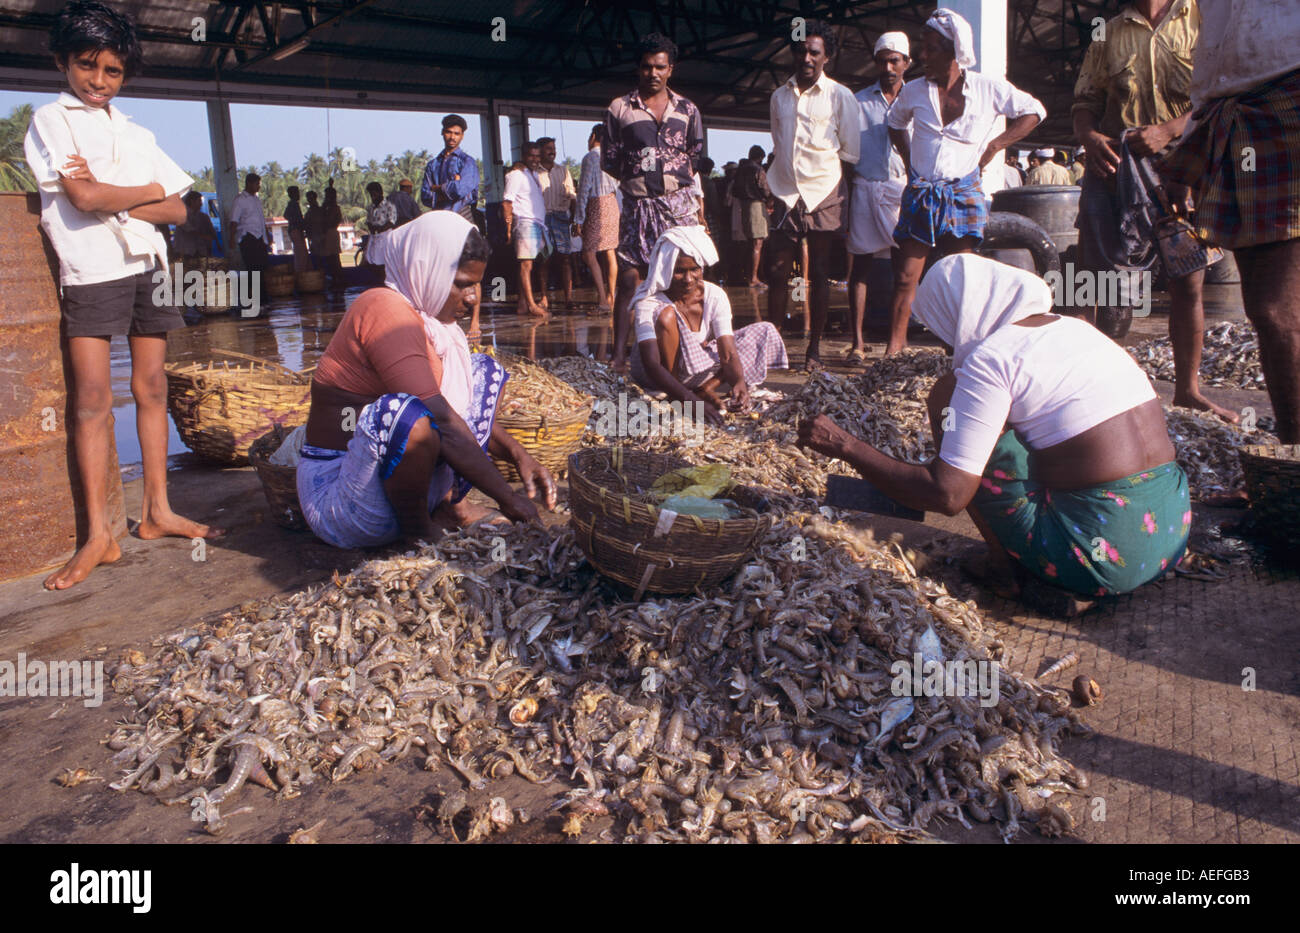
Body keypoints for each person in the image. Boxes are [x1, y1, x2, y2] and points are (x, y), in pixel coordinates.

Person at [798, 254, 1190, 610]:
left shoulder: (993, 360)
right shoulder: (1078, 329)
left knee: (948, 401)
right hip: (1171, 530)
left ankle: (1005, 572)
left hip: (1103, 559)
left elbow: (948, 494)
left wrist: (845, 445)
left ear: (960, 313)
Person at [23, 0, 221, 590]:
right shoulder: (52, 120)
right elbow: (82, 201)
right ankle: (98, 536)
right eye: (87, 66)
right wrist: (141, 192)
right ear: (63, 61)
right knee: (90, 400)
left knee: (152, 387)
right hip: (92, 267)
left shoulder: (137, 132)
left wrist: (112, 190)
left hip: (147, 263)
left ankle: (156, 511)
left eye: (112, 72)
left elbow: (179, 207)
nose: (99, 81)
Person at [299, 212, 554, 547]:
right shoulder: (383, 310)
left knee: (482, 372)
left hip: (387, 485)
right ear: (428, 269)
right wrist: (507, 497)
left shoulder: (433, 321)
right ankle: (417, 531)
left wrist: (518, 454)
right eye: (463, 284)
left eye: (476, 284)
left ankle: (450, 505)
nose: (474, 297)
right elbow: (441, 420)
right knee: (407, 413)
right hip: (343, 499)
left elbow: (453, 412)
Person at [1073, 0, 1234, 422]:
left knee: (1189, 280)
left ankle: (1188, 390)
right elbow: (1085, 97)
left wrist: (1169, 131)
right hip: (1114, 167)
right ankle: (1085, 386)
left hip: (1185, 166)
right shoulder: (1104, 30)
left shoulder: (1204, 19)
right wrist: (1089, 135)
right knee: (1092, 280)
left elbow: (1220, 93)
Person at [1160, 0, 1300, 442]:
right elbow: (1217, 44)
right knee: (1264, 309)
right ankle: (1288, 456)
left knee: (1278, 310)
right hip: (1229, 115)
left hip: (1289, 99)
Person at [885, 8, 1044, 355]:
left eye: (930, 49)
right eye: (922, 48)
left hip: (962, 193)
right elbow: (895, 123)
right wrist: (911, 161)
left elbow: (1034, 111)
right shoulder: (913, 91)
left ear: (955, 51)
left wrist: (997, 144)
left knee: (962, 279)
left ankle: (959, 351)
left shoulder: (988, 89)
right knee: (905, 277)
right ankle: (893, 351)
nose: (922, 56)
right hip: (923, 193)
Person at [602, 32, 705, 372]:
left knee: (685, 279)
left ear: (670, 69)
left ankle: (688, 352)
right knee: (630, 279)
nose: (653, 74)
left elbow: (695, 154)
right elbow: (611, 159)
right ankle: (619, 354)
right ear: (639, 68)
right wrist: (639, 182)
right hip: (637, 205)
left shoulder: (688, 109)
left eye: (660, 67)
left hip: (679, 206)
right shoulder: (619, 108)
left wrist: (675, 186)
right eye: (647, 67)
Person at [766, 19, 861, 370]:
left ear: (827, 57)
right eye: (800, 50)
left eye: (814, 52)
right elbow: (778, 143)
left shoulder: (840, 95)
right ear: (792, 53)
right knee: (778, 271)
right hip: (786, 191)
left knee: (819, 272)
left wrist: (841, 199)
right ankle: (772, 346)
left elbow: (850, 150)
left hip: (824, 190)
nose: (806, 57)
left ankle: (814, 350)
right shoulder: (779, 97)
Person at [631, 227, 788, 426]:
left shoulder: (714, 295)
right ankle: (678, 395)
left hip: (694, 369)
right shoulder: (649, 302)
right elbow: (651, 364)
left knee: (762, 330)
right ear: (667, 269)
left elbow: (728, 353)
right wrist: (690, 401)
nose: (689, 279)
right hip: (658, 377)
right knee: (666, 316)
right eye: (679, 271)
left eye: (694, 270)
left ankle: (705, 388)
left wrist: (739, 383)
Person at [845, 32, 911, 362]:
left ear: (906, 63)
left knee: (904, 271)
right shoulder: (857, 101)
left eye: (894, 60)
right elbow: (844, 152)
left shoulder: (917, 99)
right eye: (883, 60)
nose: (888, 66)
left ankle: (895, 344)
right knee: (861, 269)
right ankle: (857, 343)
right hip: (864, 188)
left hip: (901, 191)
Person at [575, 123, 620, 313]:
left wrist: (579, 218)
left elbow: (584, 189)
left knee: (589, 253)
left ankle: (602, 300)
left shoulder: (590, 157)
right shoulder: (613, 157)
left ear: (593, 136)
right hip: (613, 203)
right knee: (610, 252)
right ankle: (611, 298)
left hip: (596, 205)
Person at [502, 141, 551, 317]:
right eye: (531, 156)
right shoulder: (516, 174)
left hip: (537, 223)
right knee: (526, 265)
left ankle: (523, 304)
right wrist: (508, 228)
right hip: (525, 222)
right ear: (523, 156)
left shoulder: (533, 174)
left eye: (538, 156)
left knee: (528, 264)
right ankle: (531, 305)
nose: (535, 159)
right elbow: (507, 203)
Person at [536, 136, 578, 308]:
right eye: (548, 148)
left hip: (561, 218)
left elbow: (572, 196)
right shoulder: (534, 172)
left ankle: (569, 298)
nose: (552, 151)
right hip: (543, 219)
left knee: (565, 259)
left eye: (553, 148)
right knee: (544, 259)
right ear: (540, 151)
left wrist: (575, 220)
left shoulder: (564, 171)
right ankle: (544, 298)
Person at [421, 114, 479, 222]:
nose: (452, 137)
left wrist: (437, 188)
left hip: (462, 215)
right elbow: (425, 196)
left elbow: (460, 190)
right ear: (442, 132)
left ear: (462, 136)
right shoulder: (432, 164)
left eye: (456, 133)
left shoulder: (467, 162)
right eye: (449, 132)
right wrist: (452, 186)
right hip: (438, 217)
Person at [731, 145, 772, 289]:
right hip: (756, 206)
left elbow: (734, 191)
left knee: (750, 243)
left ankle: (750, 275)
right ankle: (754, 278)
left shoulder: (740, 170)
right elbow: (766, 190)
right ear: (760, 157)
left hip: (744, 206)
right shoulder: (758, 170)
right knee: (757, 244)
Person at [230, 171, 270, 273]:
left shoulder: (256, 199)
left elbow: (261, 219)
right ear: (249, 184)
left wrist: (267, 234)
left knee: (263, 268)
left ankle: (262, 289)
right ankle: (254, 289)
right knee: (253, 268)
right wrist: (231, 239)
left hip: (260, 238)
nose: (259, 187)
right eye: (257, 184)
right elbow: (234, 220)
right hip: (248, 237)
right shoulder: (240, 200)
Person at [172, 190, 218, 259]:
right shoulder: (183, 215)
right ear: (192, 201)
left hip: (199, 252)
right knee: (180, 269)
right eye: (199, 201)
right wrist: (205, 236)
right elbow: (191, 231)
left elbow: (212, 233)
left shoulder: (203, 216)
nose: (201, 204)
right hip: (183, 253)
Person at [317, 183, 344, 285]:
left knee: (333, 258)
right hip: (331, 232)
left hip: (330, 233)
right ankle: (337, 278)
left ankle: (337, 279)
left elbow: (331, 221)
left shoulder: (332, 207)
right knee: (333, 258)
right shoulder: (329, 207)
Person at [283, 185, 311, 273]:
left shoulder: (293, 204)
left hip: (295, 230)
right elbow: (287, 216)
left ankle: (301, 272)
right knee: (301, 254)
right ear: (293, 194)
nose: (299, 194)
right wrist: (298, 222)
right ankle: (301, 274)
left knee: (301, 253)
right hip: (295, 230)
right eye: (297, 193)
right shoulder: (293, 204)